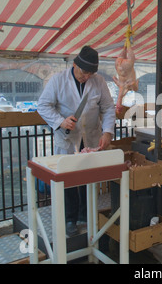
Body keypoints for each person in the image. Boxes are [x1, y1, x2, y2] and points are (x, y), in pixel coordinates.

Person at [37, 45, 116, 236]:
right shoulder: (58, 80)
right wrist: (60, 121)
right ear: (74, 65)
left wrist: (107, 132)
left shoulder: (98, 82)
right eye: (84, 72)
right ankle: (70, 219)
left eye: (90, 73)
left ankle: (86, 215)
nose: (86, 76)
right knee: (69, 180)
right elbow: (43, 106)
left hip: (91, 137)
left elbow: (108, 108)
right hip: (68, 138)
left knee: (89, 179)